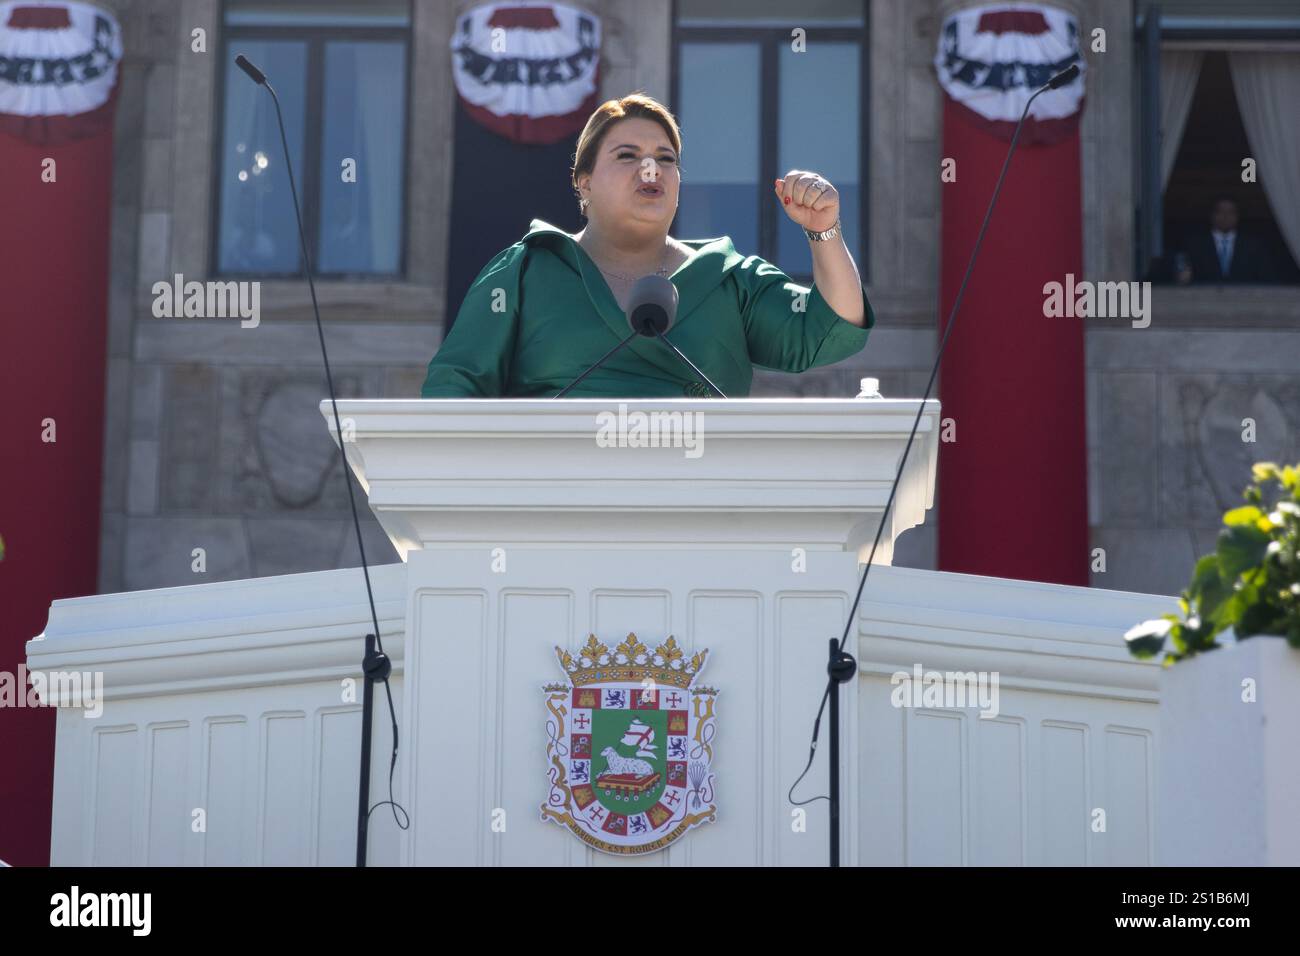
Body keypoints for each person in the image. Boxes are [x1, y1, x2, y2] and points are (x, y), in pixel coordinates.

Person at [420, 93, 874, 398]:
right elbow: (453, 387)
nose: (651, 169)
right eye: (627, 156)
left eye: (665, 159)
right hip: (555, 500)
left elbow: (831, 328)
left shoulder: (728, 277)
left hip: (700, 497)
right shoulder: (524, 270)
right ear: (584, 183)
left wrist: (824, 230)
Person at [1176, 197, 1273, 284]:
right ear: (1212, 215)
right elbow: (1183, 275)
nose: (1225, 216)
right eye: (1220, 212)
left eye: (1231, 212)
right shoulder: (1194, 245)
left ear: (1237, 216)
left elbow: (1266, 278)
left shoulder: (1254, 246)